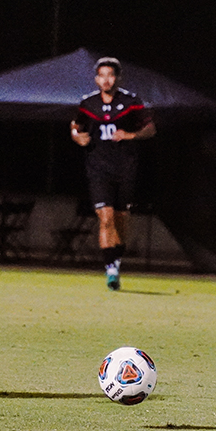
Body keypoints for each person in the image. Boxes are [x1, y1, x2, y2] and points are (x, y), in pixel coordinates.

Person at [70, 56, 156, 290]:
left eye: (110, 75)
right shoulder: (88, 103)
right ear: (96, 78)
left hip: (125, 168)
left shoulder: (131, 102)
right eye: (101, 75)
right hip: (98, 168)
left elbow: (150, 128)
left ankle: (115, 260)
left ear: (117, 77)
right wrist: (78, 137)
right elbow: (76, 126)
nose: (106, 80)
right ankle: (111, 269)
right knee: (105, 217)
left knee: (121, 219)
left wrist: (131, 135)